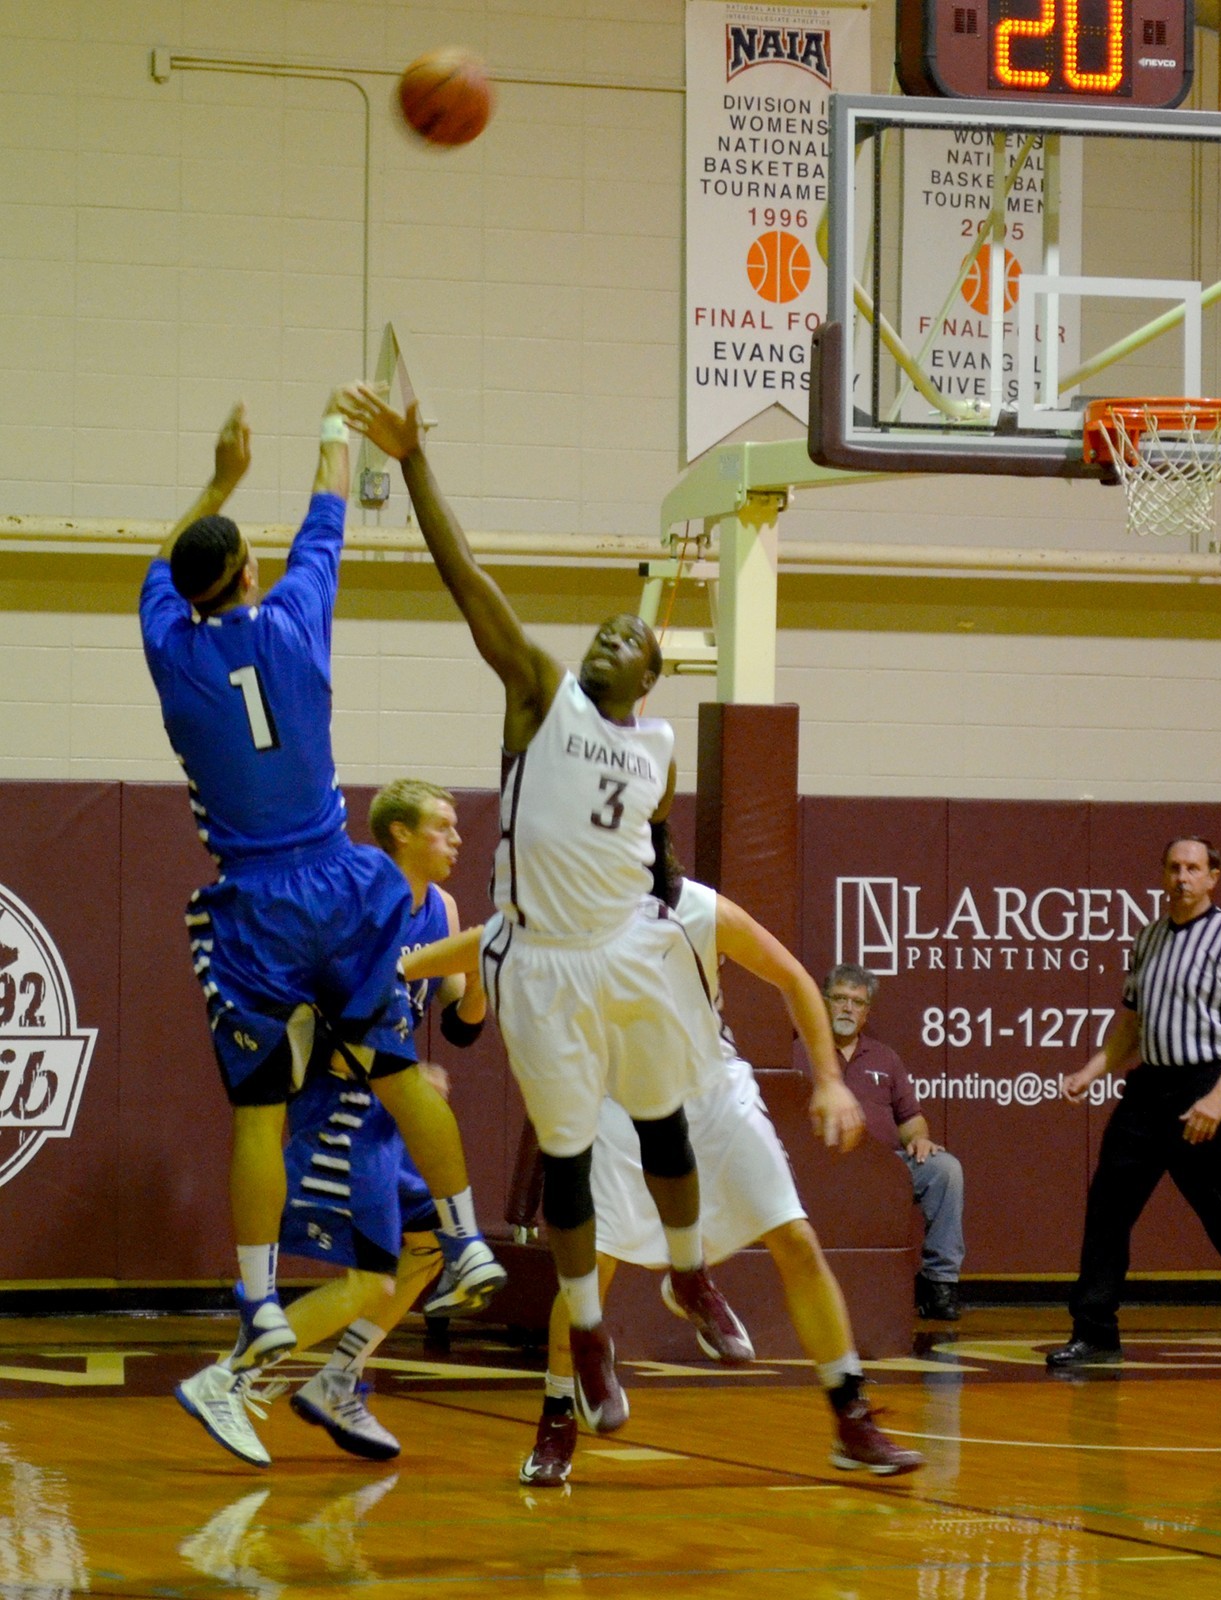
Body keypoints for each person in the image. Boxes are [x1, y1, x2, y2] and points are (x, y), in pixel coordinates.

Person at [340, 383, 748, 1436]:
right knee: (568, 1162)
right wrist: (414, 460)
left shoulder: (657, 751)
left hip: (625, 952)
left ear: (650, 676)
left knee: (664, 1122)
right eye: (604, 628)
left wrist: (663, 896)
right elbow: (465, 576)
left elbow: (645, 849)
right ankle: (591, 1339)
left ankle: (690, 1275)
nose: (610, 635)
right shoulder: (538, 688)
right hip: (542, 963)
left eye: (628, 637)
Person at [140, 398, 491, 1455]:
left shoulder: (169, 648)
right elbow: (326, 513)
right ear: (253, 572)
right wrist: (339, 431)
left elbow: (164, 566)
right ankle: (468, 1239)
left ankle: (257, 1303)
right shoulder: (297, 616)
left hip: (255, 901)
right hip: (340, 881)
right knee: (401, 1073)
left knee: (257, 1114)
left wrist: (218, 481)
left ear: (188, 592)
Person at [407, 824, 924, 1485]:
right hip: (618, 1105)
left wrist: (827, 1079)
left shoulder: (698, 909)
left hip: (713, 1091)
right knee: (590, 1269)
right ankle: (557, 1418)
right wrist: (392, 966)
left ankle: (850, 1417)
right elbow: (478, 942)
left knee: (795, 1239)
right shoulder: (556, 917)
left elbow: (794, 978)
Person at [176, 779, 510, 1468]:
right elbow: (329, 1025)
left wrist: (478, 967)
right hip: (342, 1111)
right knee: (369, 1279)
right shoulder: (353, 902)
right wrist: (397, 1070)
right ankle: (225, 1382)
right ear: (400, 834)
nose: (456, 838)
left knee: (427, 1247)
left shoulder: (441, 907)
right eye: (442, 826)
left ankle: (338, 1379)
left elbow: (462, 1025)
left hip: (388, 1117)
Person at [1046, 836, 1221, 1369]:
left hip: (1205, 1085)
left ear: (1212, 877)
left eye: (1193, 868)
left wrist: (1219, 1097)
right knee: (1108, 1206)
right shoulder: (1148, 937)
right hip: (1148, 1089)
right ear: (1163, 874)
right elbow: (1131, 1025)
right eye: (1174, 868)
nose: (1182, 877)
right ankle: (1095, 1331)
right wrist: (1091, 1069)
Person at [799, 965, 966, 1322]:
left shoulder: (885, 1058)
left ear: (867, 1012)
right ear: (823, 1003)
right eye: (839, 999)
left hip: (885, 1166)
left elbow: (911, 1118)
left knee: (945, 1170)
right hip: (818, 1168)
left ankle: (939, 1284)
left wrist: (919, 1139)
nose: (847, 1008)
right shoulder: (799, 1052)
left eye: (857, 1002)